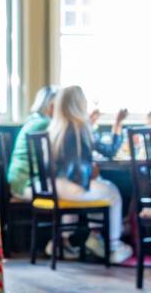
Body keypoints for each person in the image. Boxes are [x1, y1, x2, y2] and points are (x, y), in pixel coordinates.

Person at [48, 85, 133, 263]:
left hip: (55, 187)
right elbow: (110, 150)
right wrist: (117, 123)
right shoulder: (81, 126)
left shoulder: (54, 128)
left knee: (100, 185)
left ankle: (62, 241)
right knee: (113, 192)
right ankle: (113, 246)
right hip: (74, 189)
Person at [6, 85, 56, 199]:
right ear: (50, 105)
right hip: (27, 183)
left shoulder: (33, 120)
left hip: (17, 180)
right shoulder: (45, 124)